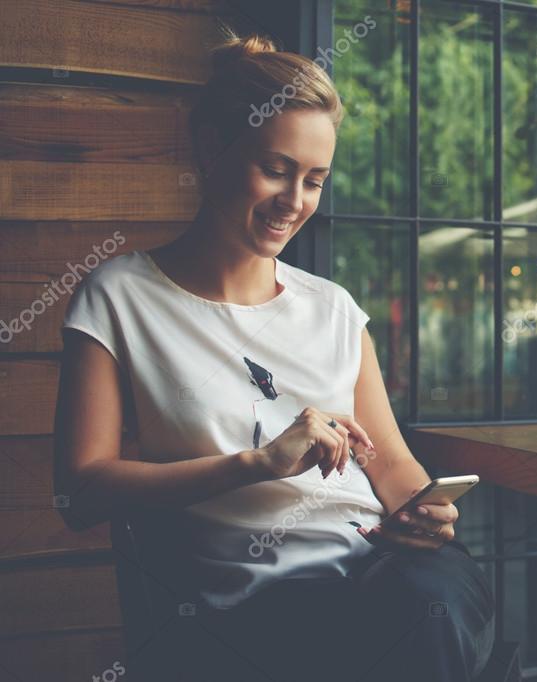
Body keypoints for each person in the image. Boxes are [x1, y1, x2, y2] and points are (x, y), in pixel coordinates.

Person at [52, 29, 494, 682]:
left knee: (431, 605)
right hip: (253, 600)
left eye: (314, 180)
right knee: (408, 632)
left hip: (386, 570)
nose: (295, 201)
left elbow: (389, 461)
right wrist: (256, 463)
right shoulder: (119, 296)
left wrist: (420, 513)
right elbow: (81, 492)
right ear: (211, 148)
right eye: (276, 169)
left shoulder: (334, 308)